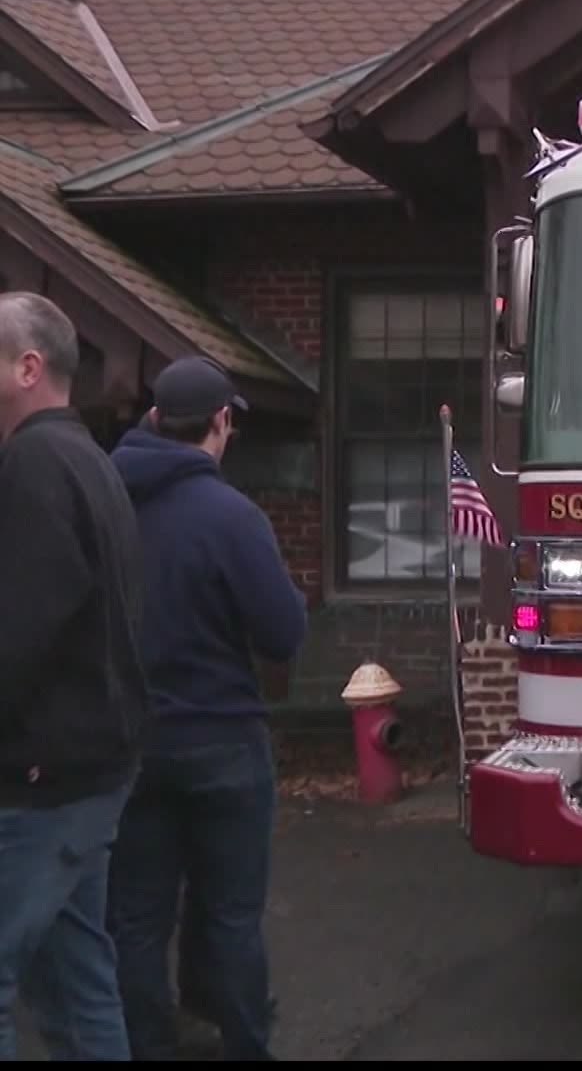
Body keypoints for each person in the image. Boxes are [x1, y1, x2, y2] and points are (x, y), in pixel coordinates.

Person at [105, 356, 308, 1061]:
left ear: (155, 418)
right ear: (221, 423)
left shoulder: (102, 502)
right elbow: (282, 633)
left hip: (129, 742)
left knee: (133, 919)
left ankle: (145, 1047)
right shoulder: (232, 517)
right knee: (230, 916)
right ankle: (245, 1045)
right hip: (223, 740)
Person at [0, 291, 149, 1061]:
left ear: (28, 368)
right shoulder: (88, 460)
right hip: (93, 766)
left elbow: (20, 629)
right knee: (75, 978)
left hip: (43, 779)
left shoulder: (32, 466)